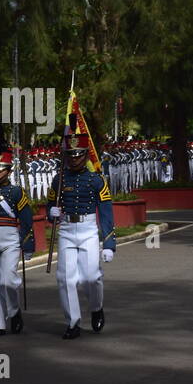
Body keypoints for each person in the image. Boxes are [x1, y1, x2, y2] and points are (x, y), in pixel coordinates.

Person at [46, 132, 114, 339]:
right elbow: (51, 203)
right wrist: (51, 212)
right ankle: (72, 321)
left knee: (92, 277)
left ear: (85, 155)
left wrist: (109, 242)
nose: (74, 158)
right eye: (71, 155)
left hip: (88, 230)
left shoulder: (96, 180)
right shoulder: (59, 179)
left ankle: (96, 307)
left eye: (78, 155)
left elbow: (105, 212)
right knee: (65, 278)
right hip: (66, 230)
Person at [0, 126, 34, 336]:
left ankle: (14, 312)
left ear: (9, 170)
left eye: (1, 169)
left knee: (8, 280)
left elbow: (26, 219)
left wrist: (28, 243)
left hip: (11, 239)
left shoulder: (16, 192)